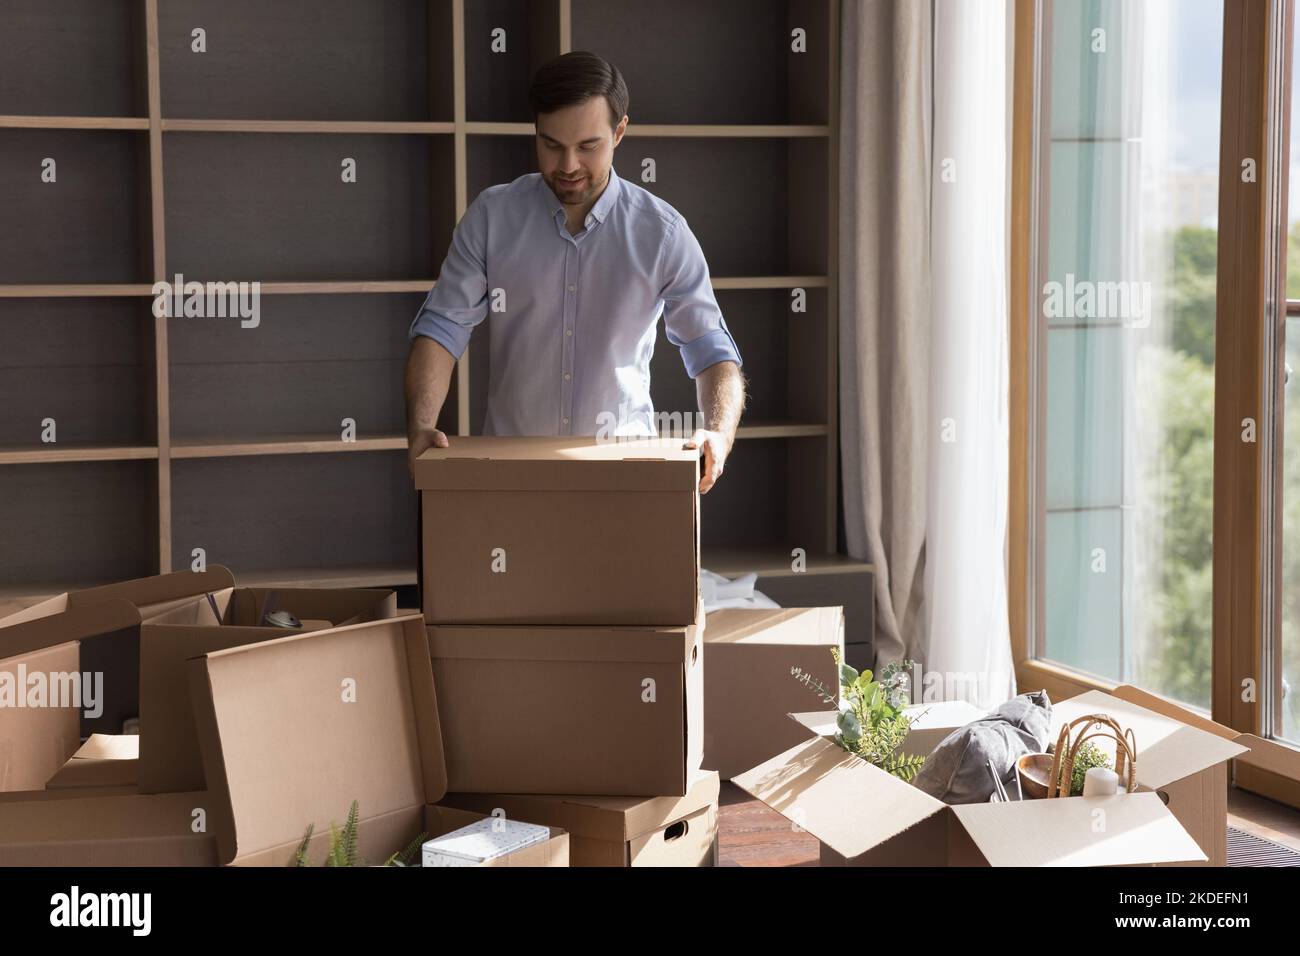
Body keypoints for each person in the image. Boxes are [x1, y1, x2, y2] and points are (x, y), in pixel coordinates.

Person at [404, 51, 745, 494]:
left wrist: (718, 432)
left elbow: (712, 350)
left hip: (626, 474)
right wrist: (420, 424)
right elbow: (443, 328)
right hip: (510, 473)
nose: (567, 166)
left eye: (587, 146)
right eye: (552, 144)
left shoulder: (662, 234)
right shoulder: (491, 218)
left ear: (619, 132)